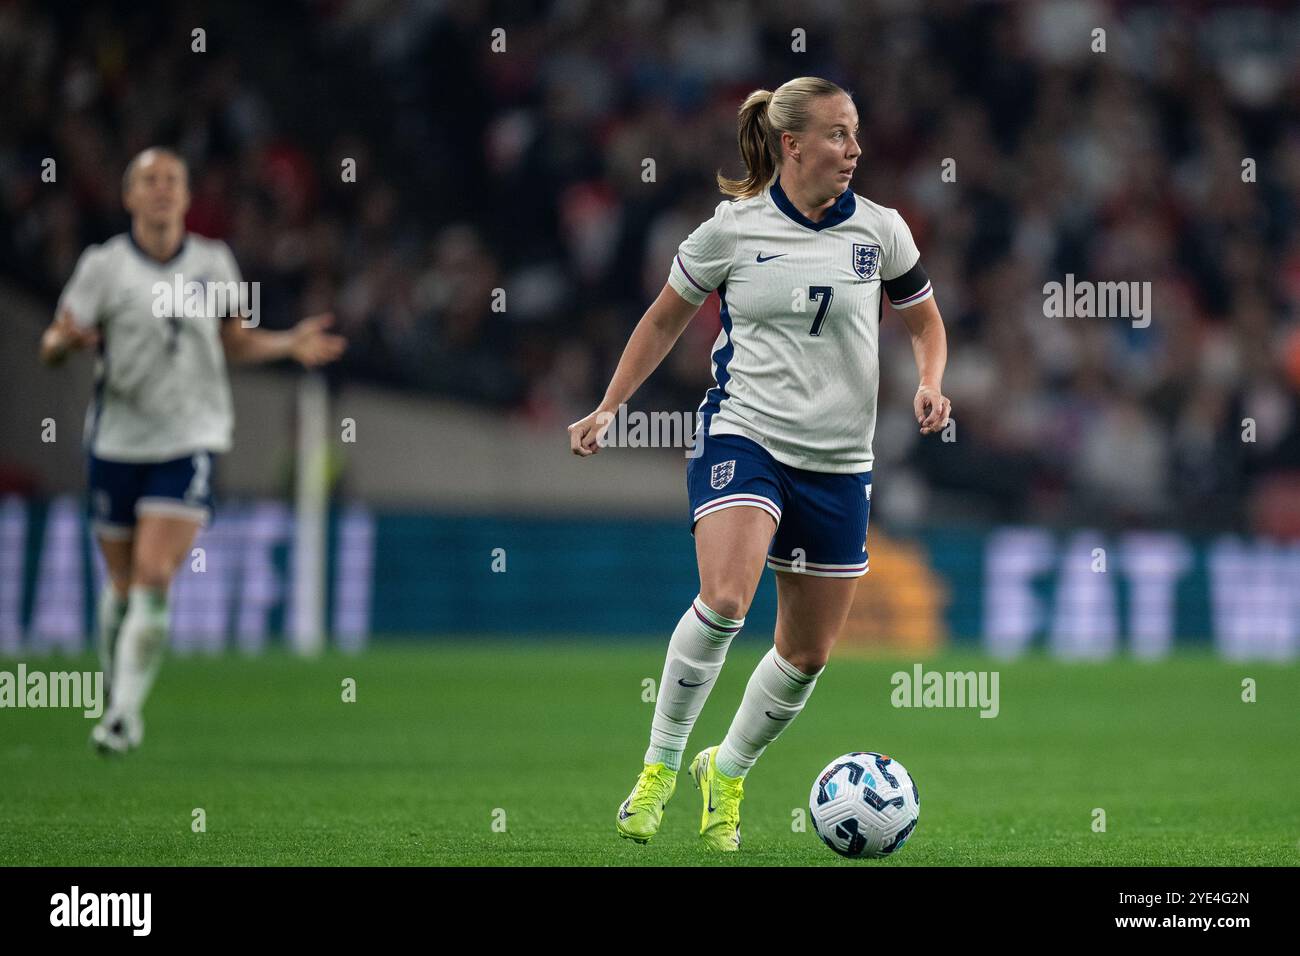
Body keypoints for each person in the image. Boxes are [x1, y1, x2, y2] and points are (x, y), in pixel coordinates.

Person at [568, 77, 952, 851]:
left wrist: (932, 384)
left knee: (806, 655)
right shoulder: (731, 231)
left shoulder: (881, 232)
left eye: (856, 134)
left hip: (840, 463)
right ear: (792, 143)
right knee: (726, 598)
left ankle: (728, 768)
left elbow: (925, 324)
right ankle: (659, 768)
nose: (855, 150)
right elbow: (663, 320)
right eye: (840, 135)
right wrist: (609, 405)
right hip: (745, 436)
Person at [39, 146, 346, 754]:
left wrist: (287, 344)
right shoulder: (103, 267)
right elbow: (55, 337)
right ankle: (115, 688)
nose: (161, 190)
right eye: (149, 181)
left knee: (155, 573)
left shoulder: (214, 262)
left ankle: (123, 715)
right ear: (128, 196)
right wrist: (60, 344)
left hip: (191, 436)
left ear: (185, 196)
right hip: (116, 439)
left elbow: (232, 342)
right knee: (122, 583)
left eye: (172, 181)